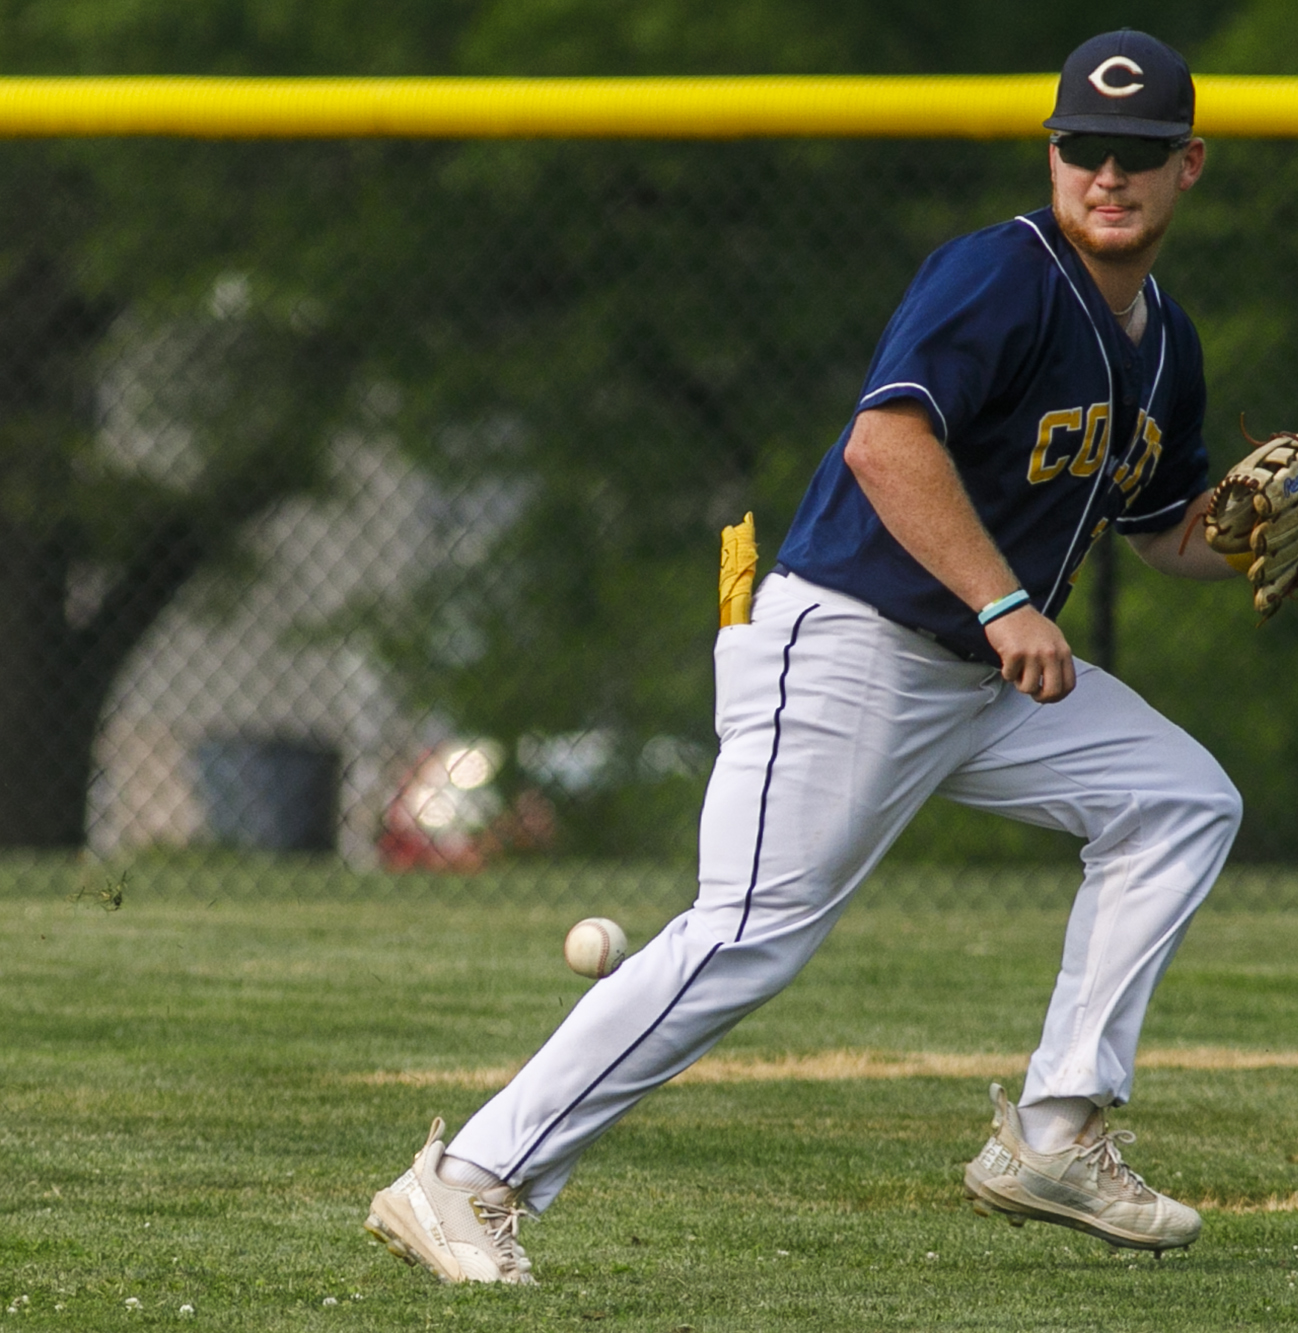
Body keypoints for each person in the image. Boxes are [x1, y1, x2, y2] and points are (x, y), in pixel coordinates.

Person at [364, 29, 1244, 1284]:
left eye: (1139, 153)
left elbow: (1165, 530)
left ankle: (1055, 1130)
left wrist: (1253, 547)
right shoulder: (1003, 276)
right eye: (1084, 148)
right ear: (1053, 155)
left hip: (980, 681)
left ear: (1186, 167)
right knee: (745, 936)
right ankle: (464, 1178)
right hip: (850, 646)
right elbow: (889, 446)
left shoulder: (1167, 345)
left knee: (1179, 800)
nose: (1109, 173)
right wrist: (1003, 602)